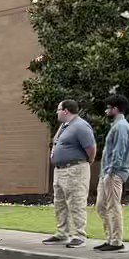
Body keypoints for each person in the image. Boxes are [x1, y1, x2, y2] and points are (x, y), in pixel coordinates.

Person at [43, 99, 96, 248]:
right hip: (60, 170)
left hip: (75, 169)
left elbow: (91, 148)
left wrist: (88, 161)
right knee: (60, 203)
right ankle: (62, 233)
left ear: (66, 111)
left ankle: (79, 235)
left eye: (58, 109)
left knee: (76, 201)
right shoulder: (64, 127)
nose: (57, 112)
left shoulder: (81, 126)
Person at [94, 95, 129, 252]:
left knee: (112, 205)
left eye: (108, 108)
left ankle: (116, 241)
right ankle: (110, 237)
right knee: (101, 206)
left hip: (114, 172)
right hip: (107, 172)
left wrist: (111, 171)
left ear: (115, 109)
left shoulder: (122, 126)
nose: (106, 111)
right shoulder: (117, 125)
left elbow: (119, 150)